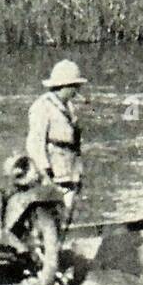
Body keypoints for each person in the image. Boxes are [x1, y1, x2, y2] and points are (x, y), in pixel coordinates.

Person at [25, 59, 87, 227]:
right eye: (74, 86)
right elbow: (35, 143)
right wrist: (45, 172)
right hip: (53, 173)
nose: (77, 91)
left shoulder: (69, 107)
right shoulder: (42, 107)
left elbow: (75, 143)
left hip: (69, 171)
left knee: (67, 215)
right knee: (51, 219)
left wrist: (79, 171)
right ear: (64, 86)